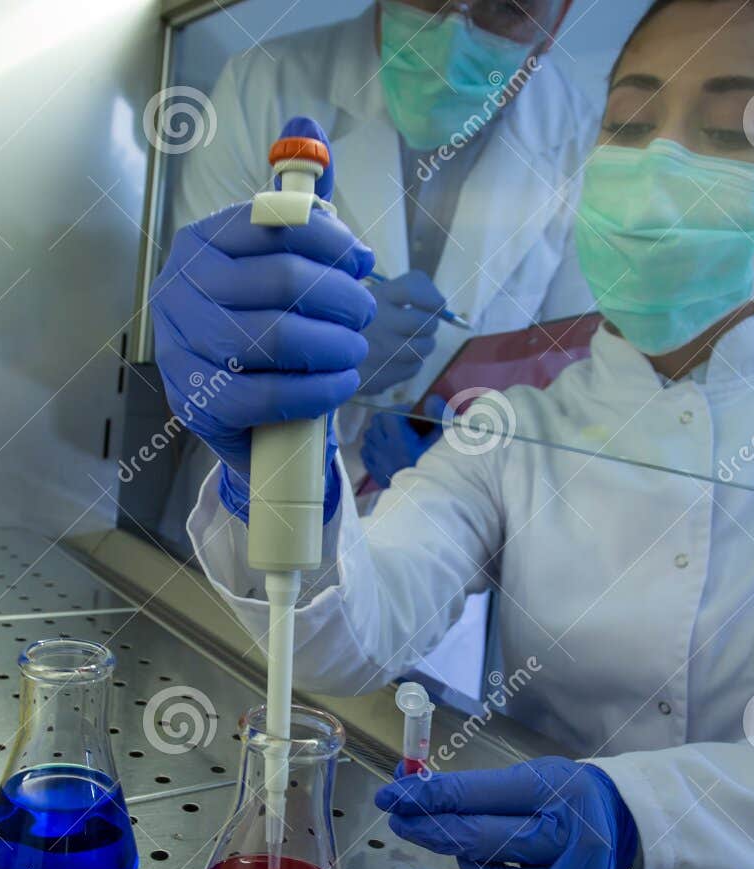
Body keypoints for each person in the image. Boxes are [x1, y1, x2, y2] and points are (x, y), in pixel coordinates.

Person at [150, 0, 754, 869]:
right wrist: (268, 461)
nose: (658, 165)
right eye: (631, 126)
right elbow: (357, 634)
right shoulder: (517, 425)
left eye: (729, 132)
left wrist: (635, 815)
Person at [157, 0, 591, 552]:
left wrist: (476, 455)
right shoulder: (266, 85)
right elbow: (198, 334)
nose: (453, 33)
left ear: (555, 21)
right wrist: (318, 355)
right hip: (244, 514)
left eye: (504, 6)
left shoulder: (583, 137)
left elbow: (574, 388)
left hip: (451, 535)